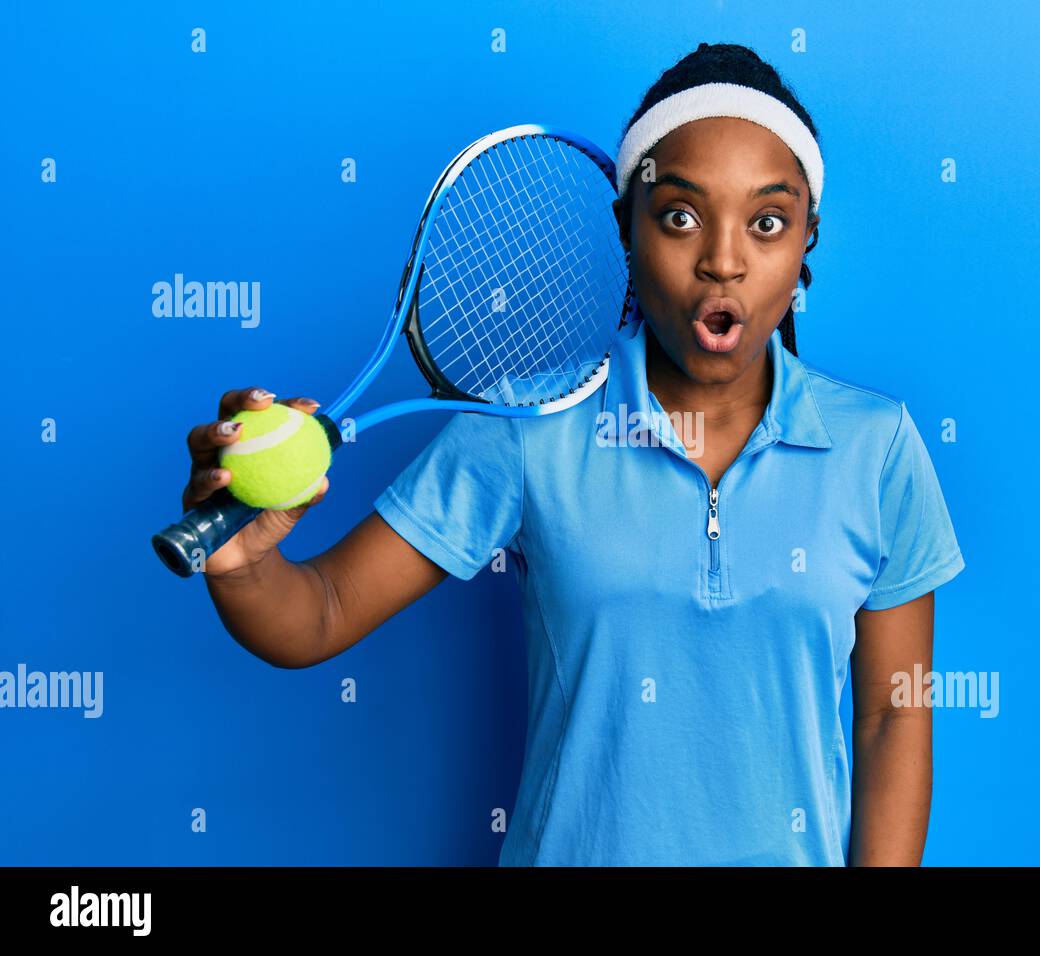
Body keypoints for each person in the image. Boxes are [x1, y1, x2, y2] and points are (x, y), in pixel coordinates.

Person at [181, 42, 965, 866]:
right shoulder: (528, 428)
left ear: (807, 243)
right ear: (627, 229)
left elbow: (893, 714)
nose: (723, 260)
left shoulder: (876, 448)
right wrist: (240, 566)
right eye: (680, 216)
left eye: (767, 222)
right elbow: (320, 613)